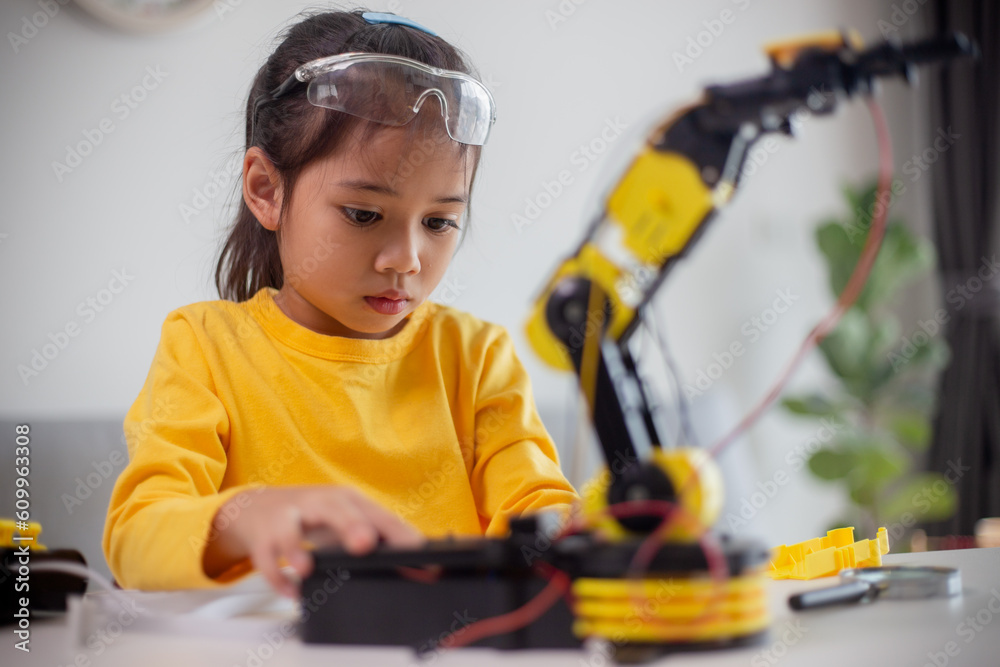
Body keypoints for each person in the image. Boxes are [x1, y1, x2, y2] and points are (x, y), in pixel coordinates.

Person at [102, 8, 580, 600]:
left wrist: (594, 528)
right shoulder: (205, 346)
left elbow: (542, 515)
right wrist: (247, 517)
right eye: (363, 214)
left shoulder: (477, 359)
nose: (406, 258)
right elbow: (135, 539)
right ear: (266, 190)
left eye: (439, 221)